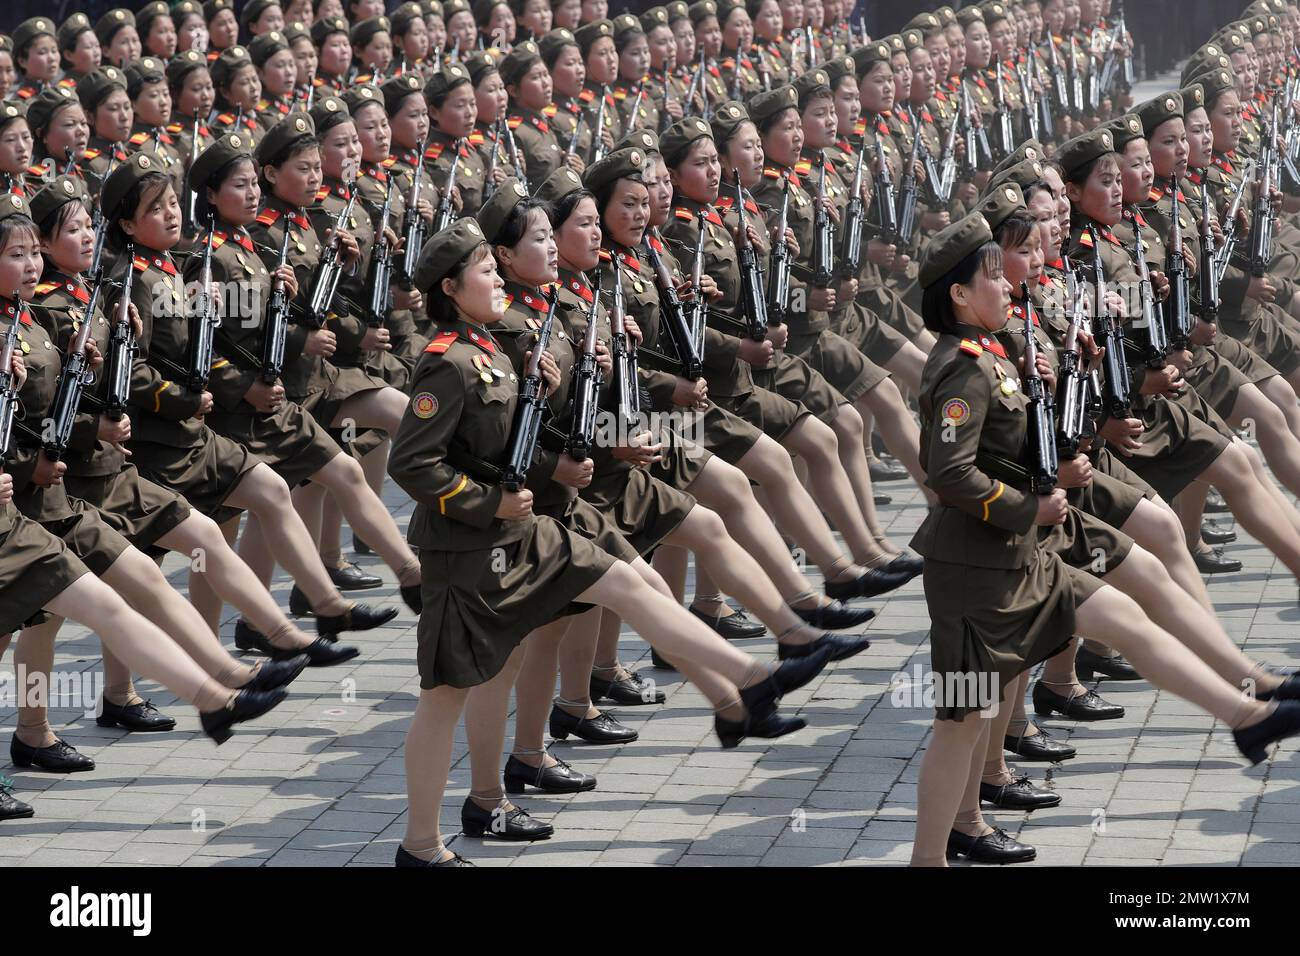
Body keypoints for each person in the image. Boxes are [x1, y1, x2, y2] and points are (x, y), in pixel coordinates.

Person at [389, 216, 836, 865]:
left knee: (625, 581)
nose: (496, 280)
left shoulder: (489, 352)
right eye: (486, 271)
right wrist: (491, 499)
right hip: (465, 550)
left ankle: (746, 683)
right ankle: (423, 845)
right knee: (447, 693)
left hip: (522, 531)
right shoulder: (450, 364)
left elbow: (516, 440)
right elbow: (413, 464)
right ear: (453, 288)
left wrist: (552, 391)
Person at [910, 211, 1300, 868]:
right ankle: (929, 860)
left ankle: (1246, 719)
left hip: (1019, 561)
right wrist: (1027, 505)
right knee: (960, 720)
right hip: (974, 573)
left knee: (1129, 618)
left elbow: (1017, 437)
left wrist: (1067, 384)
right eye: (991, 274)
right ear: (957, 293)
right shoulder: (962, 369)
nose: (1007, 282)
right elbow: (948, 474)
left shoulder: (993, 352)